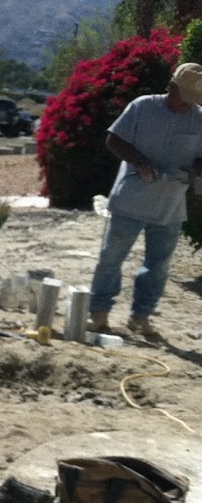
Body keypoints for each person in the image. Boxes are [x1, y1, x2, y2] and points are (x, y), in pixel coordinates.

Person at [90, 62, 202, 343]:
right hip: (131, 199)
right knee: (112, 257)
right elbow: (114, 140)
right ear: (171, 86)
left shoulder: (199, 118)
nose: (187, 104)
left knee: (158, 264)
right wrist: (140, 162)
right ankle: (99, 312)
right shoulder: (143, 107)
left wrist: (195, 171)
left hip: (170, 205)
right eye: (184, 97)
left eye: (193, 99)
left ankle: (141, 317)